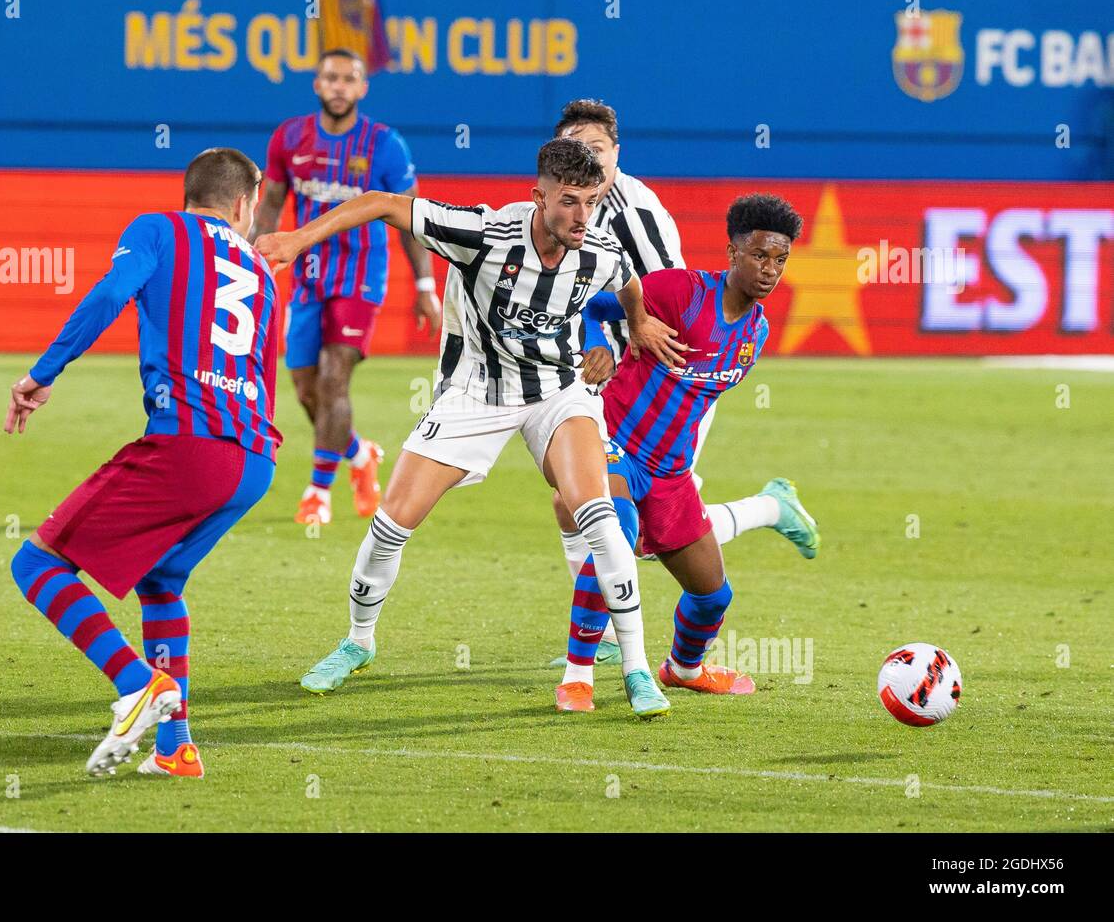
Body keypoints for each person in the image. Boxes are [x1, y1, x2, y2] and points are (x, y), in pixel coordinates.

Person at [258, 138, 685, 718]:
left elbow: (628, 278)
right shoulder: (483, 234)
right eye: (568, 202)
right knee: (390, 524)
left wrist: (636, 325)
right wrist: (296, 239)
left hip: (556, 395)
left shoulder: (599, 250)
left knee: (600, 513)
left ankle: (636, 668)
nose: (582, 216)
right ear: (538, 198)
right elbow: (385, 202)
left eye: (591, 201)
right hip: (474, 395)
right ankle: (357, 642)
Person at [4, 148, 281, 777]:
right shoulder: (262, 273)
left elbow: (111, 295)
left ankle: (139, 683)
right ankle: (174, 746)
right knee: (161, 581)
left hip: (190, 447)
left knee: (36, 563)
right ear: (244, 202)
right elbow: (264, 373)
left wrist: (43, 373)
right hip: (254, 460)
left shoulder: (159, 228)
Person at [546, 99, 820, 669]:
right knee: (584, 511)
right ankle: (588, 654)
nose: (771, 267)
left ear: (616, 154)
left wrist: (637, 328)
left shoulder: (637, 214)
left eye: (596, 148)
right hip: (611, 381)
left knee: (627, 531)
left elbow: (664, 297)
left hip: (660, 371)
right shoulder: (566, 206)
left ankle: (768, 510)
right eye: (576, 150)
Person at [252, 48, 441, 526]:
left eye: (348, 79)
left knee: (335, 378)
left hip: (360, 280)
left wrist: (424, 284)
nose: (338, 86)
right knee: (306, 388)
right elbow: (271, 207)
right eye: (330, 78)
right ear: (317, 85)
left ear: (362, 88)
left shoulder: (384, 144)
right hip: (307, 279)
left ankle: (318, 492)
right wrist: (252, 261)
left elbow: (410, 218)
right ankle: (359, 455)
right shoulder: (289, 138)